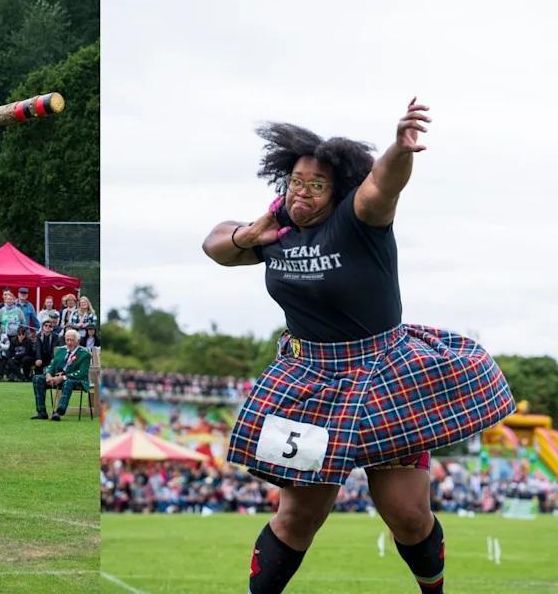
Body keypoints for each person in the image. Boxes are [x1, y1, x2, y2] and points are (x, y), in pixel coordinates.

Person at [201, 100, 514, 594]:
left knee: (408, 515)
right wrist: (248, 233)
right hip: (310, 380)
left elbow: (384, 182)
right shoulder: (275, 228)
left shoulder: (358, 217)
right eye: (295, 182)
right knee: (297, 516)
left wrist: (400, 147)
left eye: (316, 185)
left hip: (385, 373)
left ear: (337, 189)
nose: (302, 193)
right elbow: (215, 245)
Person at [31, 329, 91, 421]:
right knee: (37, 378)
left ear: (77, 341)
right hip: (57, 378)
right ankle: (41, 412)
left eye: (72, 340)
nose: (69, 342)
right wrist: (48, 375)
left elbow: (82, 373)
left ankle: (59, 412)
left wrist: (62, 378)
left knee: (68, 382)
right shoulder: (60, 351)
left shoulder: (85, 354)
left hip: (77, 380)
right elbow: (52, 365)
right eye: (67, 340)